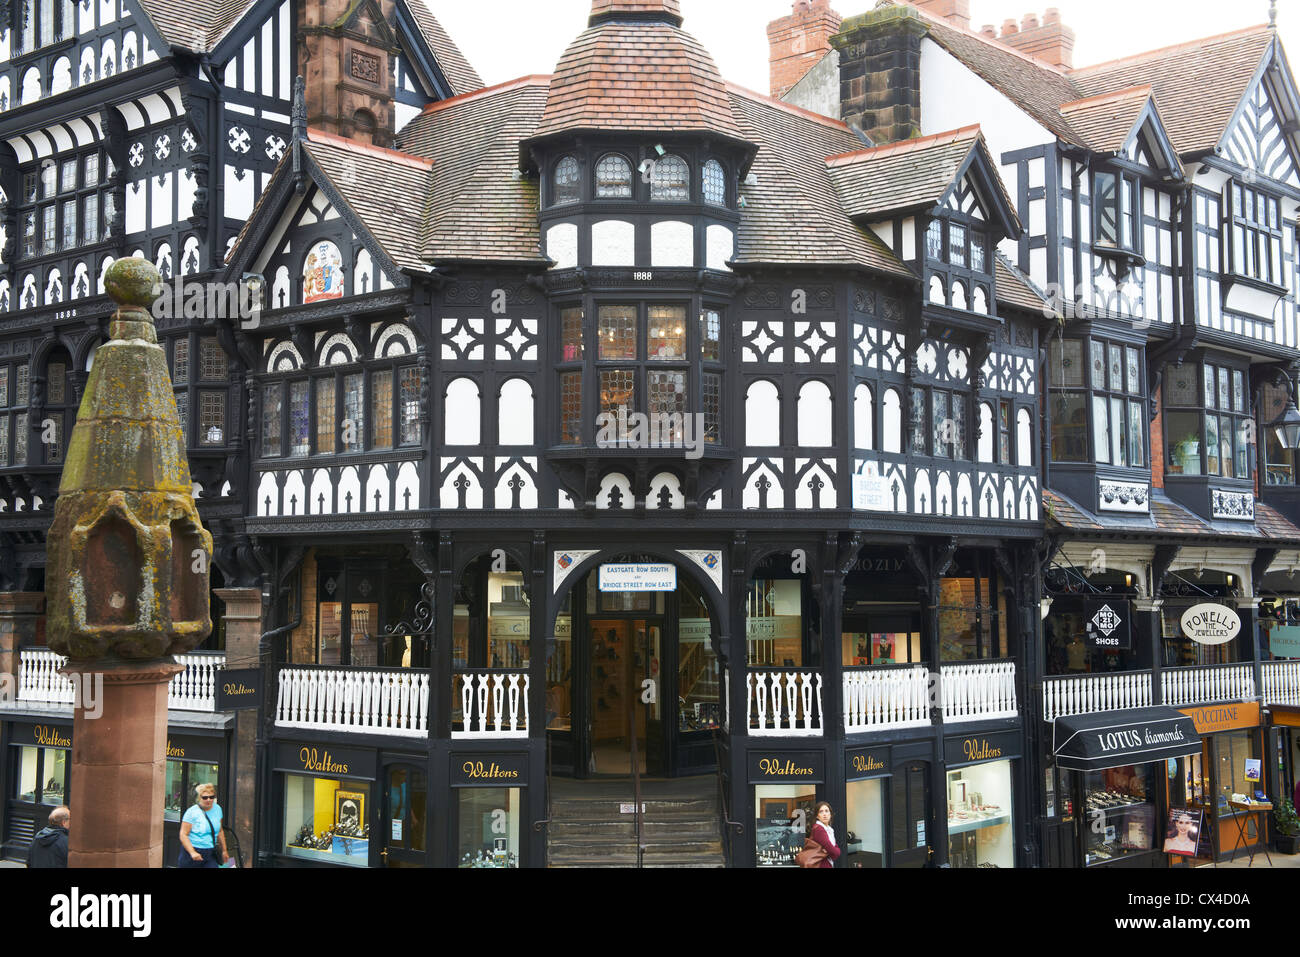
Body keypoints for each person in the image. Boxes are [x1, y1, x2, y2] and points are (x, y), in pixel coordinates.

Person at [178, 783, 227, 868]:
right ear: (199, 798)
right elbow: (183, 834)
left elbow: (220, 831)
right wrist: (192, 852)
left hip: (210, 852)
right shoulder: (192, 812)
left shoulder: (218, 809)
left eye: (211, 797)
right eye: (205, 797)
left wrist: (224, 850)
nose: (209, 800)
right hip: (193, 852)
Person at [809, 801, 841, 869]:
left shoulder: (829, 830)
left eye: (826, 811)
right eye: (821, 812)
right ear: (817, 816)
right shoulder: (819, 829)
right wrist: (833, 851)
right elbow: (834, 851)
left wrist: (832, 851)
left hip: (826, 863)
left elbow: (834, 849)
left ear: (830, 814)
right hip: (820, 865)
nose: (824, 814)